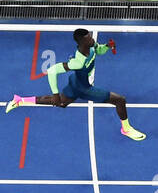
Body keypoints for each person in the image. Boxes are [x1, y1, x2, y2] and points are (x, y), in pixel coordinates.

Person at [6, 28, 145, 141]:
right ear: (81, 42)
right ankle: (126, 129)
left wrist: (107, 46)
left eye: (90, 36)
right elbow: (52, 70)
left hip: (76, 82)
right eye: (89, 38)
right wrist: (55, 93)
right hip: (84, 88)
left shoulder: (91, 46)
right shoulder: (77, 62)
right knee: (120, 100)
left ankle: (20, 100)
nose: (92, 39)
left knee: (62, 103)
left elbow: (99, 50)